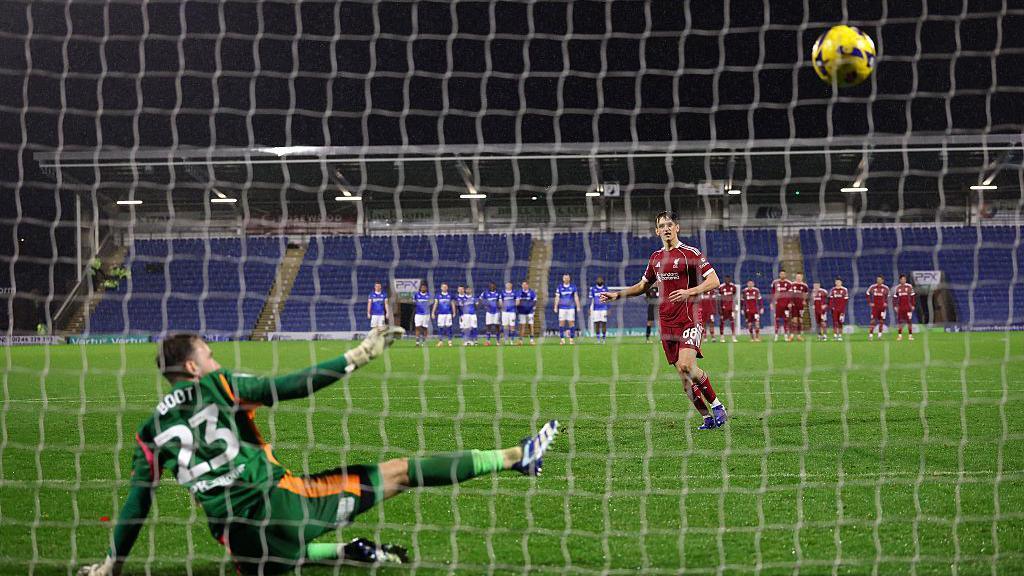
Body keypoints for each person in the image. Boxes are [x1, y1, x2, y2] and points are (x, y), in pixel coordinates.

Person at [75, 328, 559, 576]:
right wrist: (357, 356)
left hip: (235, 539)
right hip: (280, 503)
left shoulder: (150, 430)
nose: (216, 359)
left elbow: (137, 502)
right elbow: (288, 385)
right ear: (192, 367)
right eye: (210, 354)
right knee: (397, 473)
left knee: (279, 553)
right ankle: (514, 457)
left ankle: (347, 550)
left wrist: (112, 564)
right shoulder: (218, 386)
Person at [600, 211, 728, 430]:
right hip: (667, 323)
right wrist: (617, 295)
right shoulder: (656, 258)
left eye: (670, 224)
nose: (666, 228)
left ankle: (717, 406)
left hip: (689, 318)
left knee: (687, 365)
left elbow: (714, 281)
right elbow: (643, 286)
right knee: (684, 380)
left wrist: (689, 292)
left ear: (677, 228)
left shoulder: (691, 253)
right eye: (662, 225)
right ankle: (707, 418)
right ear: (657, 231)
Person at [554, 274, 581, 345]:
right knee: (561, 323)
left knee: (571, 323)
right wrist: (555, 306)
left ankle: (571, 339)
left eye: (567, 278)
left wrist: (578, 306)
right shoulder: (560, 287)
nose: (566, 279)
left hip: (571, 308)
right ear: (563, 279)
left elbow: (576, 297)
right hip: (562, 308)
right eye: (565, 278)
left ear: (569, 279)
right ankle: (562, 339)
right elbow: (557, 297)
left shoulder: (573, 287)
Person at [866, 274, 890, 341]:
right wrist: (869, 302)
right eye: (877, 280)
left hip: (882, 308)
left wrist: (886, 303)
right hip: (875, 307)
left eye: (880, 280)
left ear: (882, 280)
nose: (878, 281)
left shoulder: (886, 288)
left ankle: (879, 336)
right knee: (873, 321)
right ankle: (870, 336)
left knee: (881, 321)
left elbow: (888, 296)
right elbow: (867, 293)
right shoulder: (873, 287)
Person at [770, 270, 792, 342]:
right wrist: (772, 303)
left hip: (786, 305)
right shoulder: (775, 283)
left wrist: (790, 302)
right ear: (779, 275)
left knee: (786, 320)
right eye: (781, 274)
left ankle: (786, 336)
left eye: (783, 274)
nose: (782, 275)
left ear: (785, 275)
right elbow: (772, 294)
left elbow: (790, 294)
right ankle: (776, 336)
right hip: (777, 304)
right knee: (777, 320)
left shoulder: (789, 283)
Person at [894, 274, 916, 341]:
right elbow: (895, 298)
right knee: (900, 322)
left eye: (904, 279)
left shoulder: (909, 286)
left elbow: (912, 297)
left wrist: (913, 305)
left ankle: (910, 336)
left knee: (909, 321)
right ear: (900, 280)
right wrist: (895, 306)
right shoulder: (897, 288)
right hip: (900, 308)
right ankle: (900, 336)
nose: (903, 280)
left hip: (908, 308)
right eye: (902, 279)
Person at [432, 282, 455, 347]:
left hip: (448, 314)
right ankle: (441, 341)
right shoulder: (438, 295)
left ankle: (450, 341)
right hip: (440, 314)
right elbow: (435, 304)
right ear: (441, 288)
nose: (444, 288)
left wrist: (454, 312)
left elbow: (453, 304)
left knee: (449, 327)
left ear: (447, 288)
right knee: (440, 327)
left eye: (445, 287)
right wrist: (433, 312)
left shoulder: (450, 295)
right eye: (443, 287)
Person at [717, 275, 738, 343]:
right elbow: (719, 299)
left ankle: (733, 337)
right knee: (722, 322)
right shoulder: (721, 287)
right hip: (723, 309)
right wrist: (719, 309)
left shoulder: (733, 287)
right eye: (726, 279)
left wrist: (735, 307)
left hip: (731, 308)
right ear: (724, 280)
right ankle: (722, 337)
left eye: (728, 279)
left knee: (732, 322)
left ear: (730, 279)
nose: (727, 280)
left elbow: (735, 297)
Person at [589, 276, 610, 344]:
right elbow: (591, 300)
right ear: (596, 281)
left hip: (604, 309)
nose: (599, 280)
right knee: (597, 324)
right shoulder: (593, 289)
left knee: (604, 323)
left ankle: (604, 339)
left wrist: (608, 309)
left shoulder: (605, 289)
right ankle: (598, 339)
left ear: (602, 281)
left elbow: (608, 300)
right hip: (596, 310)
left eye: (601, 279)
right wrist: (590, 309)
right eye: (598, 279)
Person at [516, 281, 538, 345]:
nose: (524, 286)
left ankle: (532, 340)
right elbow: (517, 302)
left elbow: (535, 301)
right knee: (522, 326)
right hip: (521, 312)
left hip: (530, 312)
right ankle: (520, 341)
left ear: (527, 285)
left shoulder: (532, 292)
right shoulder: (519, 292)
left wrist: (533, 309)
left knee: (531, 325)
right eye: (523, 285)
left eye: (525, 284)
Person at [789, 272, 809, 342]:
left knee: (800, 320)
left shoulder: (805, 286)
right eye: (797, 277)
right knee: (794, 320)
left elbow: (805, 294)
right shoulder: (792, 284)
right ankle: (791, 335)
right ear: (796, 277)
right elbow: (790, 294)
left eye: (800, 277)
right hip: (794, 304)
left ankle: (799, 336)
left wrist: (804, 300)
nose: (798, 278)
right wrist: (790, 302)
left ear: (802, 278)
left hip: (801, 305)